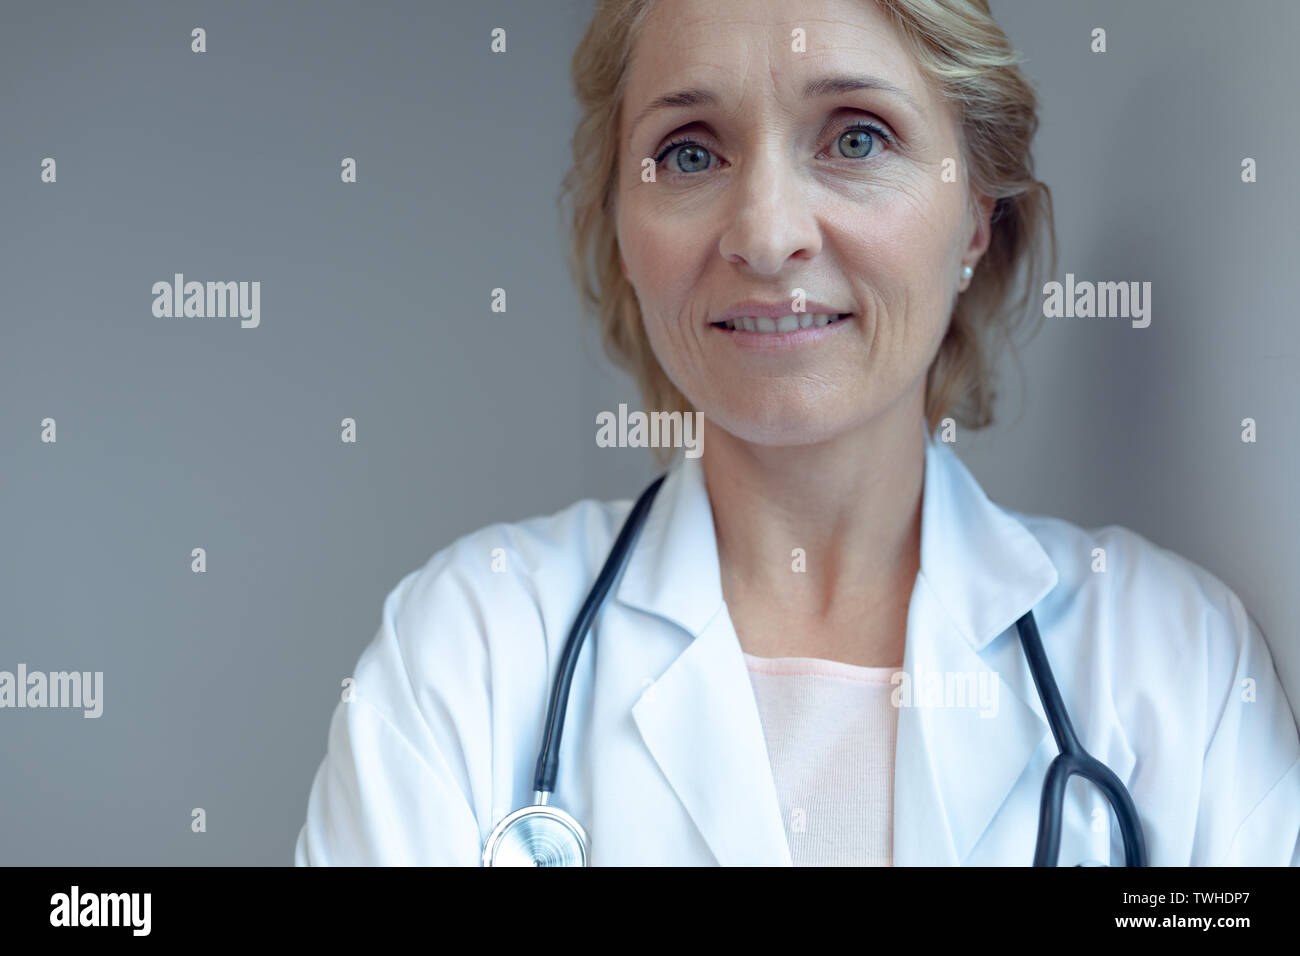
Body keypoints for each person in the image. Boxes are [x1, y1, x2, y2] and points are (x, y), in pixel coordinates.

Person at [294, 0, 1300, 865]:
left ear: (976, 213)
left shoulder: (1175, 661)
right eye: (689, 151)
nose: (767, 233)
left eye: (855, 136)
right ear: (619, 224)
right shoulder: (468, 647)